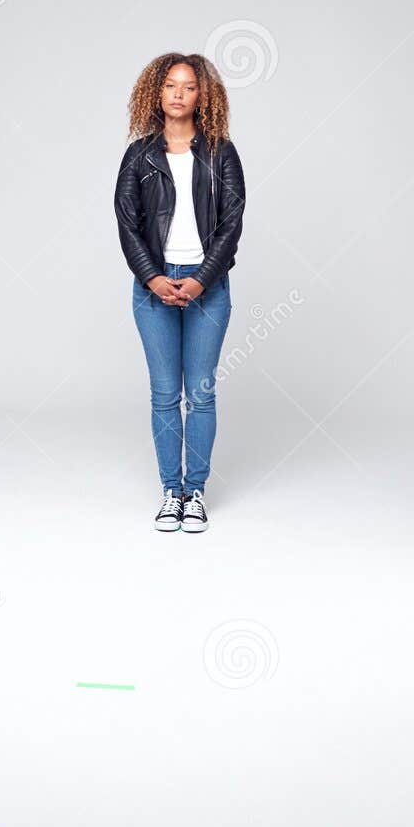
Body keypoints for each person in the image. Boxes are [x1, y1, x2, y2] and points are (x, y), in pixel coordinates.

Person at [114, 53, 245, 533]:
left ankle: (197, 494)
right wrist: (152, 277)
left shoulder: (221, 153)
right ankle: (172, 491)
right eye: (170, 85)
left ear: (202, 96)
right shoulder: (139, 155)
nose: (178, 94)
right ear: (156, 91)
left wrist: (202, 278)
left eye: (189, 87)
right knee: (165, 394)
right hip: (154, 285)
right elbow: (127, 224)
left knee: (201, 393)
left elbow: (232, 224)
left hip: (206, 285)